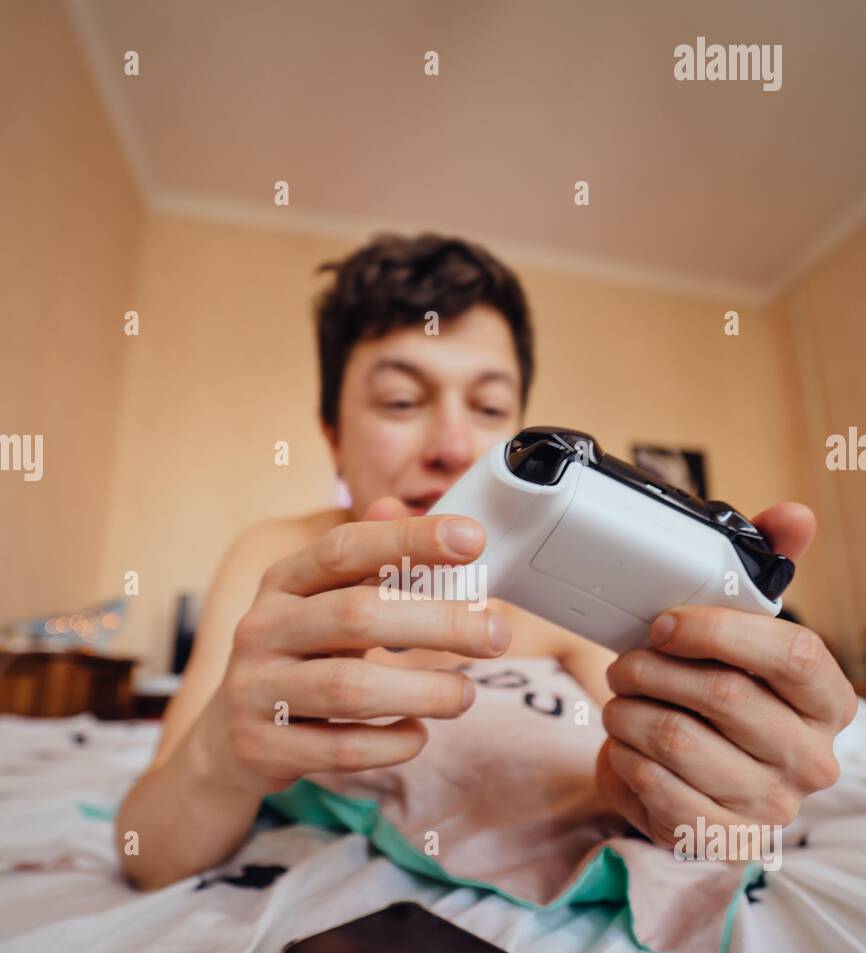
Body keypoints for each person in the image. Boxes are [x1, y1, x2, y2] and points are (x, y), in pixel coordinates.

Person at [117, 233, 857, 891]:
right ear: (332, 434)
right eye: (402, 401)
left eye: (491, 409)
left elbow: (694, 785)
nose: (453, 445)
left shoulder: (567, 592)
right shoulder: (273, 556)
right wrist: (222, 754)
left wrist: (713, 788)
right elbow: (147, 853)